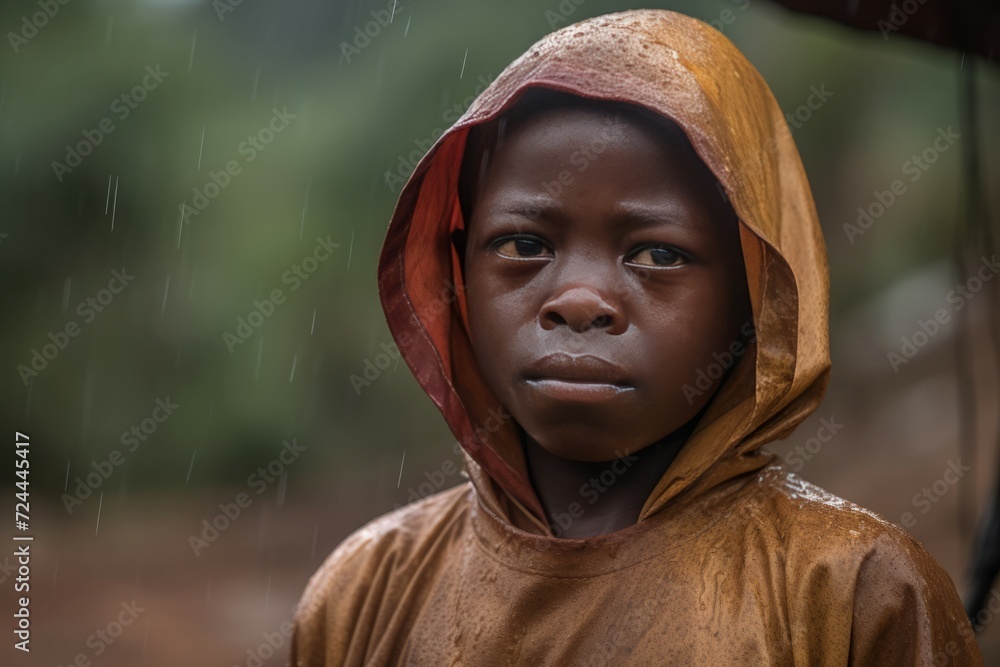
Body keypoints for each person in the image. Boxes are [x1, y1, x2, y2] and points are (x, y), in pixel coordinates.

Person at [290, 9, 982, 665]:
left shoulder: (857, 593)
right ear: (458, 272)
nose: (579, 300)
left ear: (754, 301)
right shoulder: (364, 590)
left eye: (656, 255)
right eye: (524, 243)